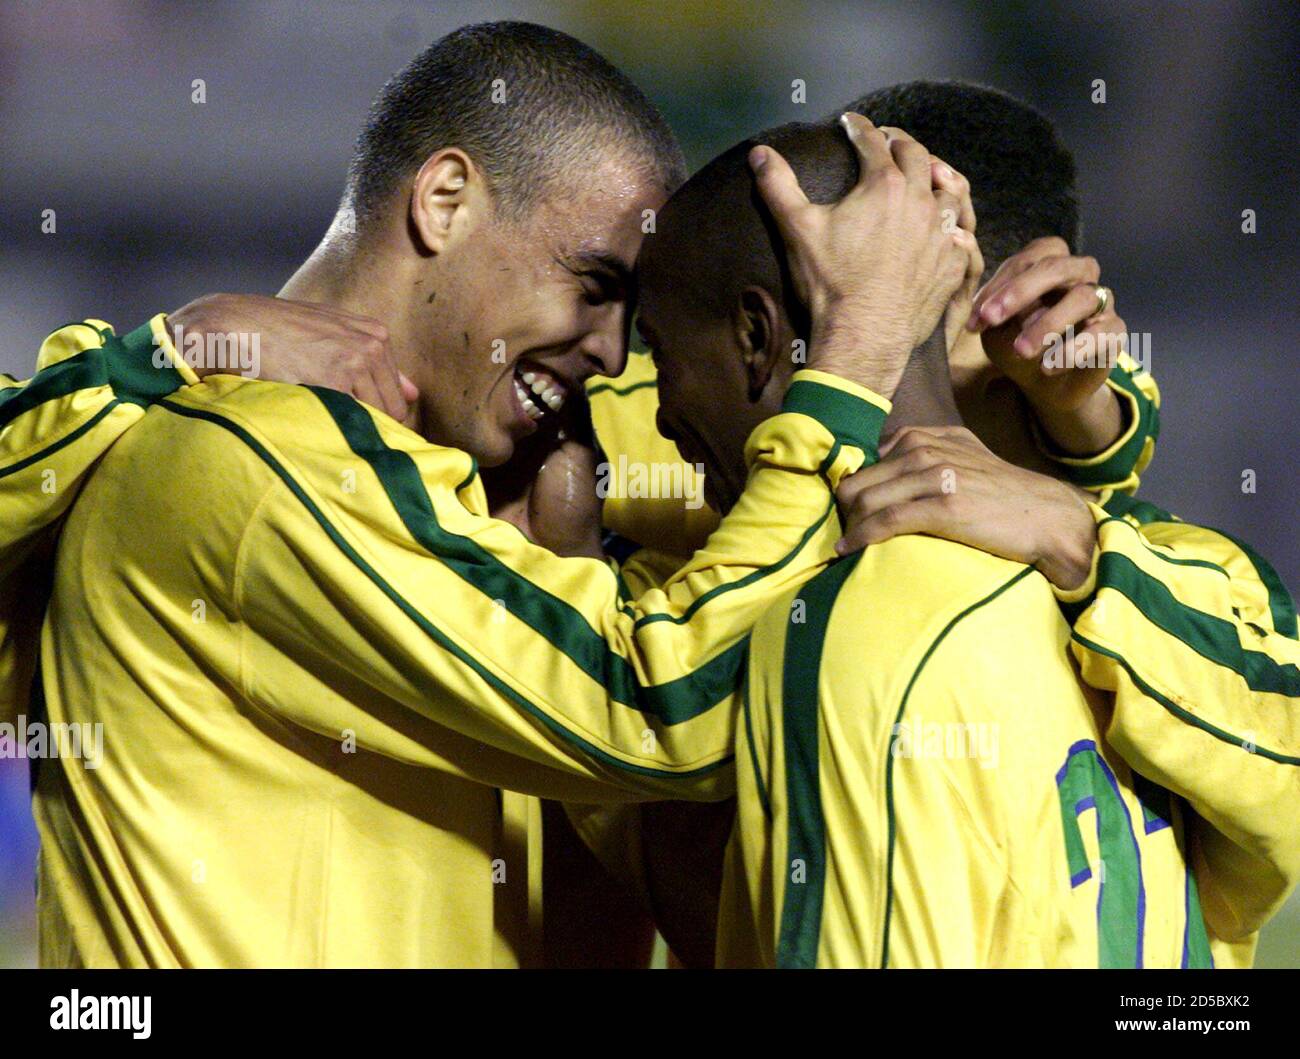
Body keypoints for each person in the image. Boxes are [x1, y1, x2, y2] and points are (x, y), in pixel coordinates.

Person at [7, 24, 975, 966]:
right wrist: (852, 358)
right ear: (446, 198)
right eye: (593, 281)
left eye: (633, 321)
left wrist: (1079, 438)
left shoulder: (509, 448)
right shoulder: (262, 452)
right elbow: (655, 709)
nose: (605, 351)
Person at [633, 116, 1299, 968]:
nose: (652, 410)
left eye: (657, 355)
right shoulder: (1181, 588)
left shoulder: (851, 624)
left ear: (760, 336)